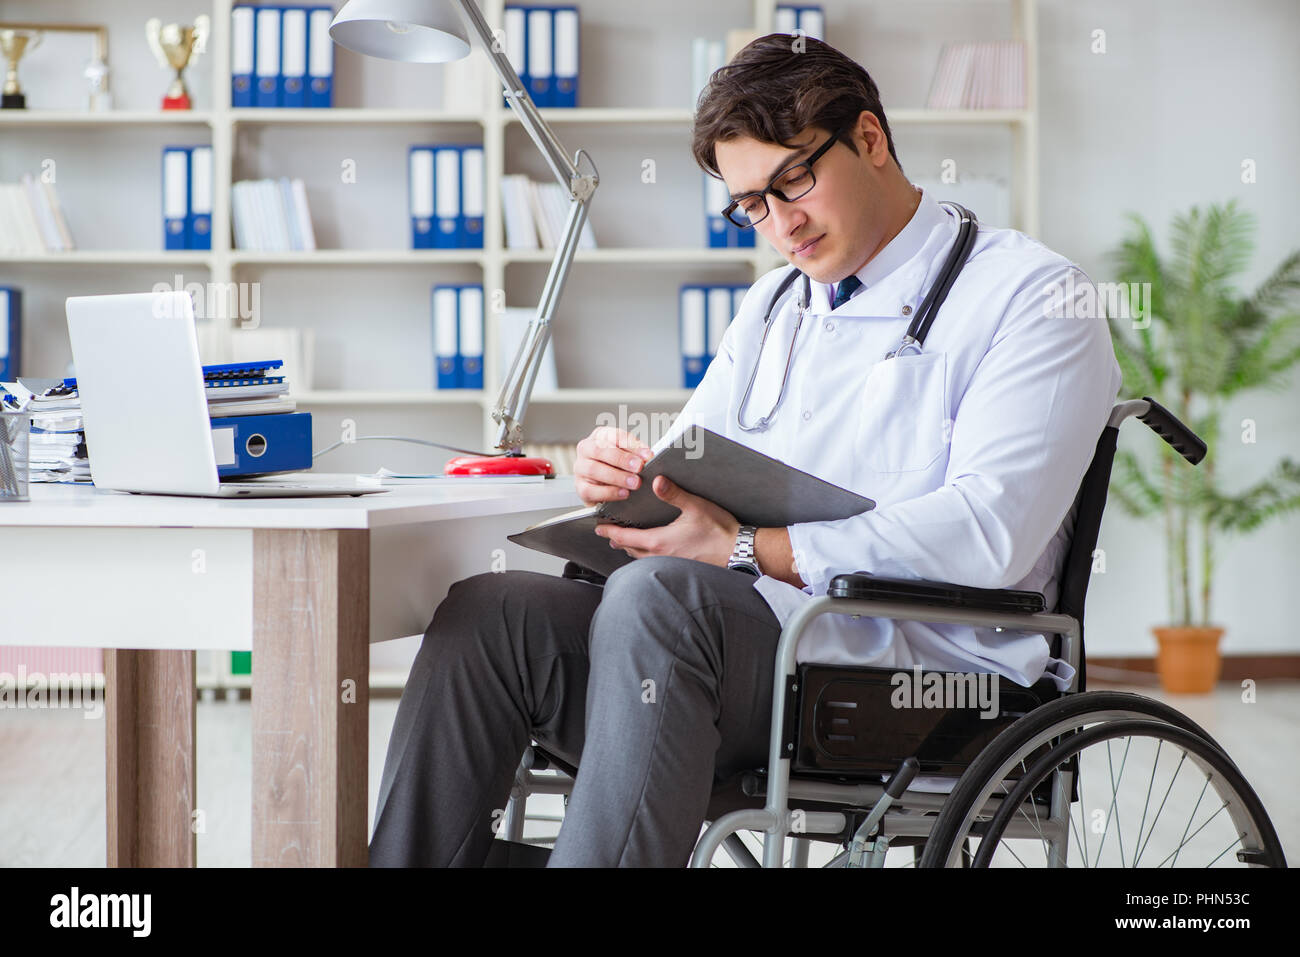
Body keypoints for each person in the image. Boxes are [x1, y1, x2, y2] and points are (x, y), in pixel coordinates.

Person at [368, 34, 1122, 868]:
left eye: (793, 180)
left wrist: (745, 548)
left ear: (870, 139)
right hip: (734, 656)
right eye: (750, 205)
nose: (780, 223)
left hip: (917, 678)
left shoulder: (1031, 295)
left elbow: (990, 532)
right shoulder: (773, 305)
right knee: (492, 614)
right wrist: (628, 481)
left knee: (663, 599)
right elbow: (694, 468)